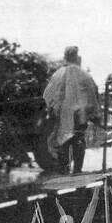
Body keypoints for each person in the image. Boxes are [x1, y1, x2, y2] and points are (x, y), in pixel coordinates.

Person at [43, 46, 100, 175]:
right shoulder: (85, 75)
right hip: (81, 116)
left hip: (64, 116)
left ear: (65, 57)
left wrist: (52, 110)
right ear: (76, 57)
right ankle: (77, 171)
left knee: (63, 143)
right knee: (79, 142)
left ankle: (64, 171)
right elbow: (94, 94)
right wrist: (92, 114)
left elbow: (48, 95)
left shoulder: (59, 74)